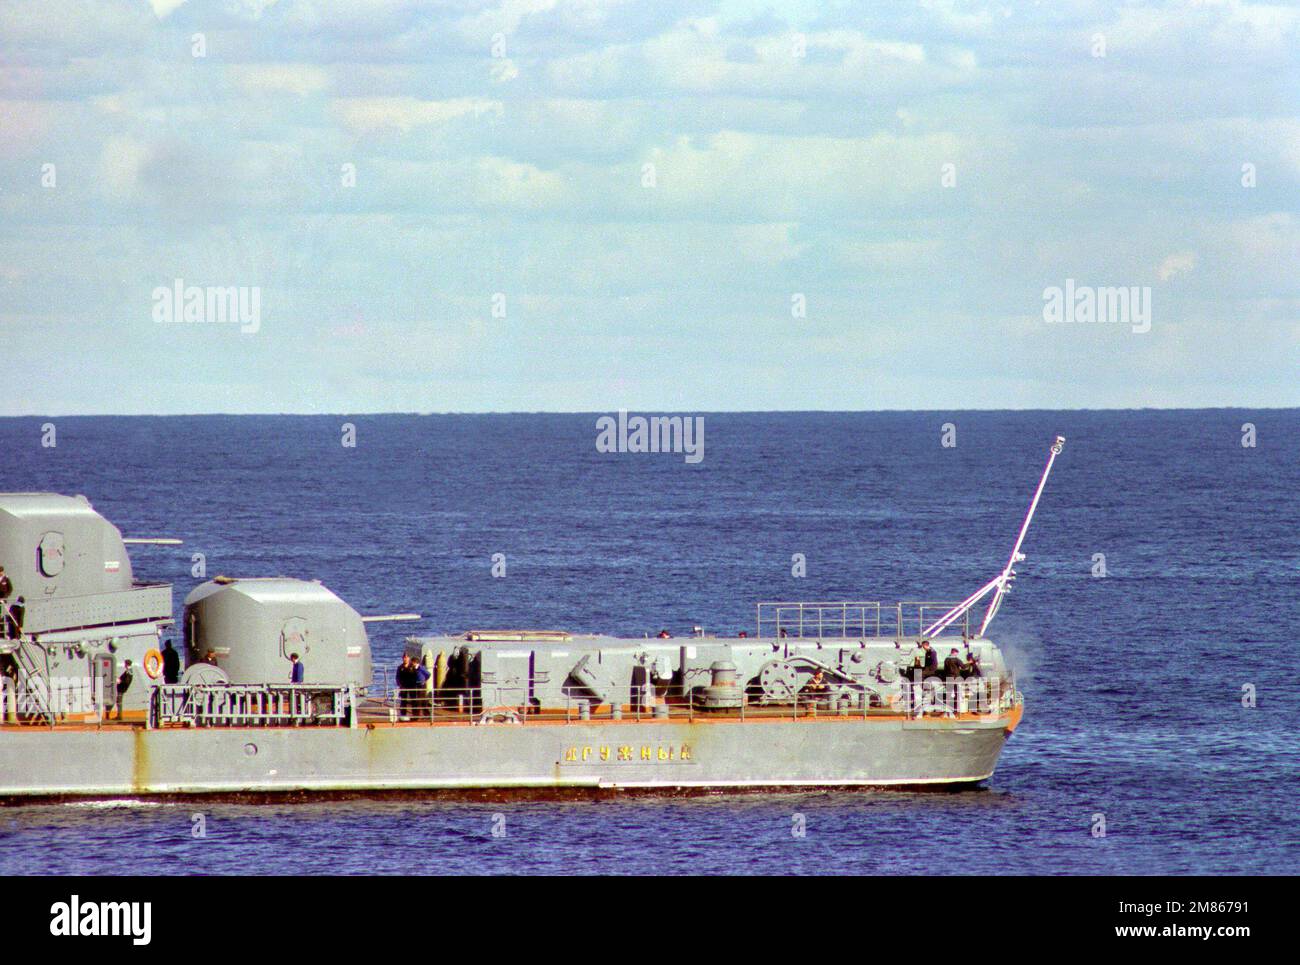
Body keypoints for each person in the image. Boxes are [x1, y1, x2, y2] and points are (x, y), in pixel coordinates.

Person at [412, 656, 431, 720]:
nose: (412, 664)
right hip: (416, 685)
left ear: (415, 662)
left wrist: (424, 680)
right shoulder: (414, 668)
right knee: (420, 700)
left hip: (422, 685)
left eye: (413, 662)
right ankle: (423, 715)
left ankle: (420, 715)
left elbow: (428, 674)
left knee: (420, 700)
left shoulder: (421, 668)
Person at [395, 654, 413, 720]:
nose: (405, 659)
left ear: (409, 658)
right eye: (404, 657)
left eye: (407, 657)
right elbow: (397, 677)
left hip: (412, 685)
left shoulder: (412, 666)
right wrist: (399, 684)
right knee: (403, 700)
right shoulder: (400, 667)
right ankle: (403, 714)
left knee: (414, 700)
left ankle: (415, 714)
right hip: (403, 686)